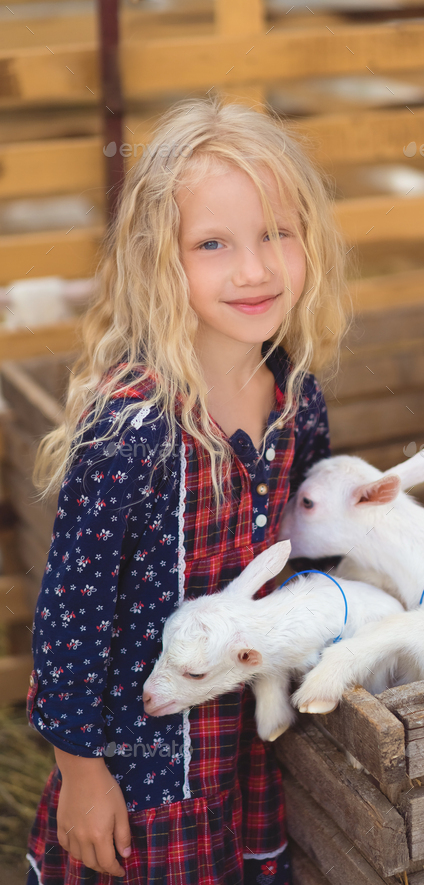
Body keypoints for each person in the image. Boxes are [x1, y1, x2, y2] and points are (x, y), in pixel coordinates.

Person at [24, 96, 351, 885]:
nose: (255, 268)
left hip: (243, 738)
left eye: (278, 232)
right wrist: (82, 770)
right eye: (213, 243)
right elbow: (72, 612)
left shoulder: (295, 396)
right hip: (142, 767)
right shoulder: (131, 428)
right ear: (159, 259)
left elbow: (310, 549)